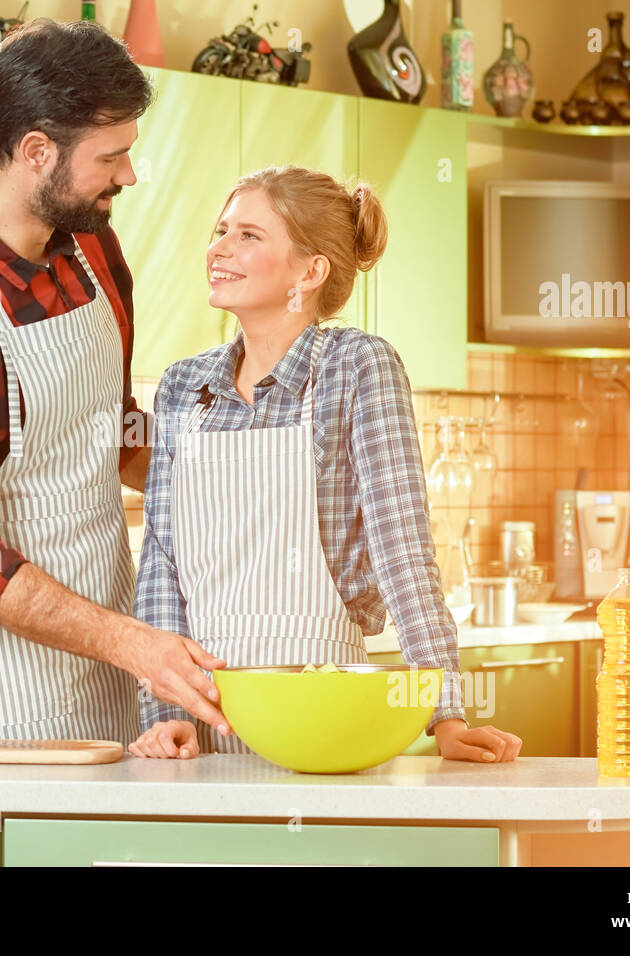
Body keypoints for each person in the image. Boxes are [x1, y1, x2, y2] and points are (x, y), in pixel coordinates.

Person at [0, 18, 229, 745]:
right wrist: (131, 643)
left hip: (118, 660)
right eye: (112, 156)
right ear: (37, 152)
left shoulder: (93, 247)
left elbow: (113, 431)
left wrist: (230, 470)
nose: (128, 175)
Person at [129, 165, 522, 763]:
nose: (220, 248)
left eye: (249, 235)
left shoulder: (357, 367)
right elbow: (161, 564)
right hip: (205, 725)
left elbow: (403, 550)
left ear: (311, 272)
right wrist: (166, 714)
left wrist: (446, 712)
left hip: (321, 716)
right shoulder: (186, 386)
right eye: (221, 230)